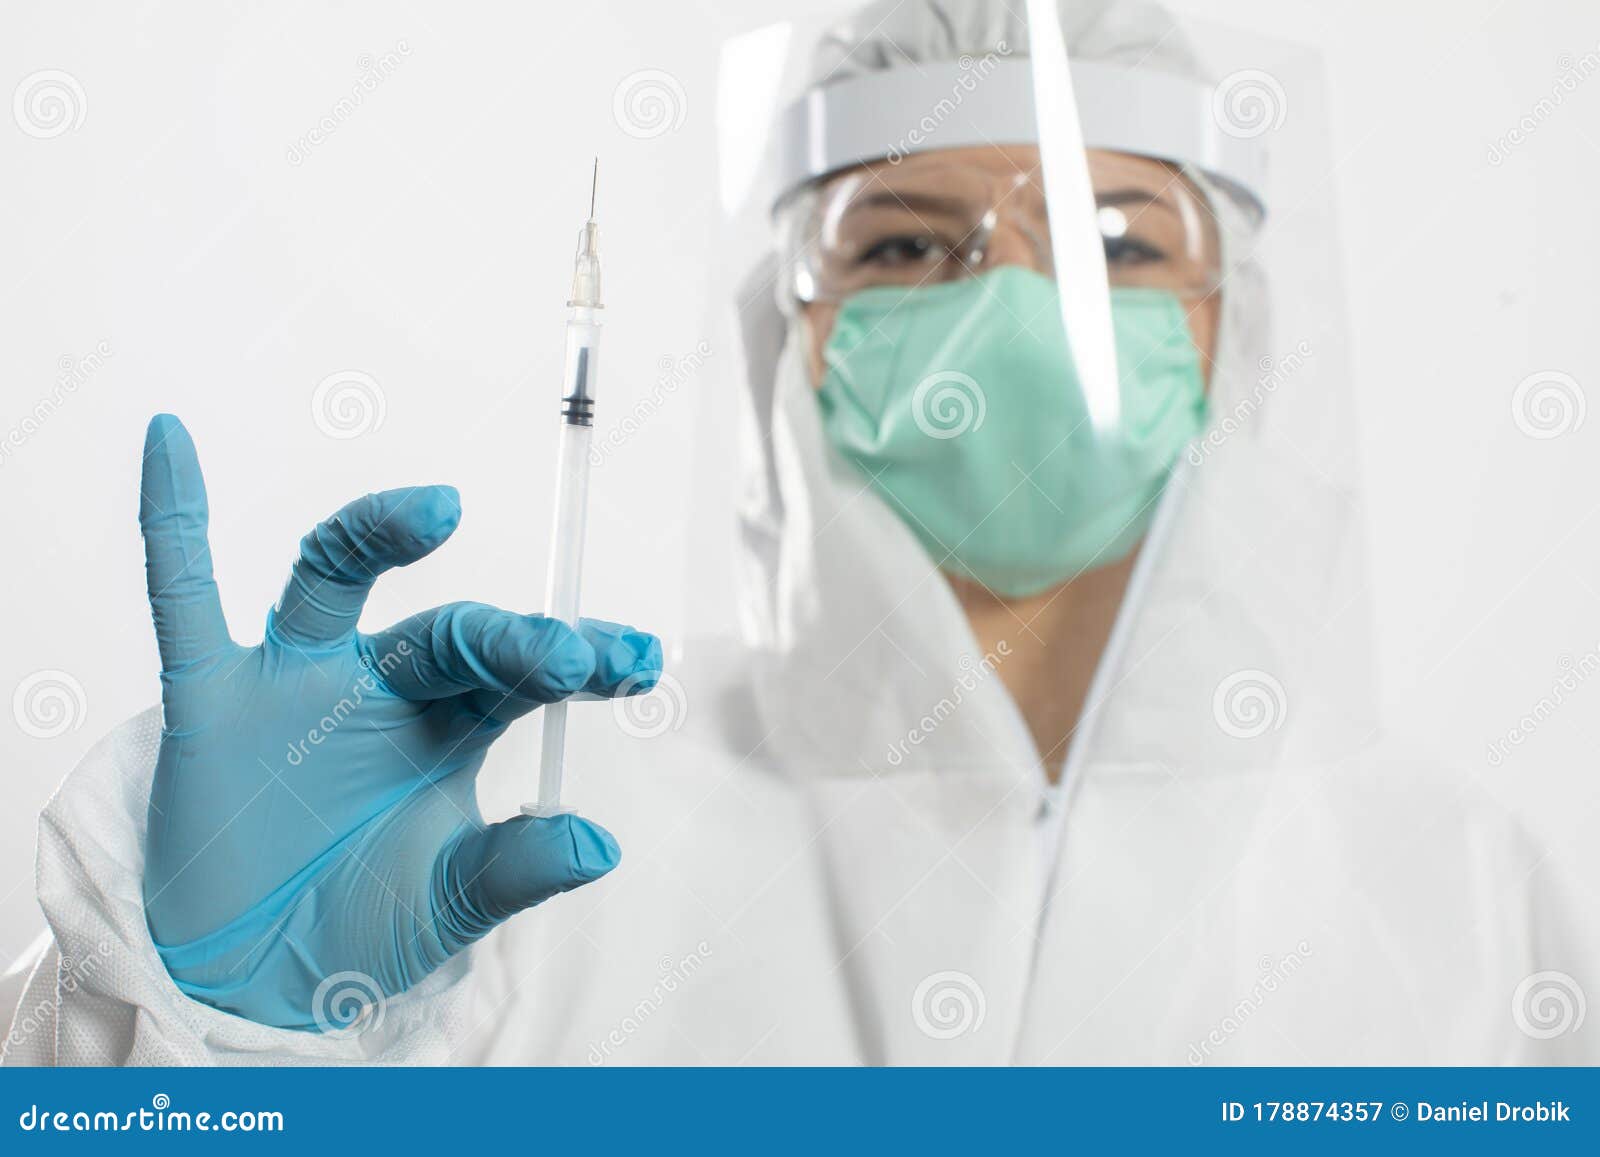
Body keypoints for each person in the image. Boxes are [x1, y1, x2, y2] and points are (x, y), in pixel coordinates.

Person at [4, 0, 1588, 1065]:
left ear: (1239, 324)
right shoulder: (536, 837)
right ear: (788, 334)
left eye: (1116, 241)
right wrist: (184, 1019)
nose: (1017, 313)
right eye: (908, 243)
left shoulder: (1453, 886)